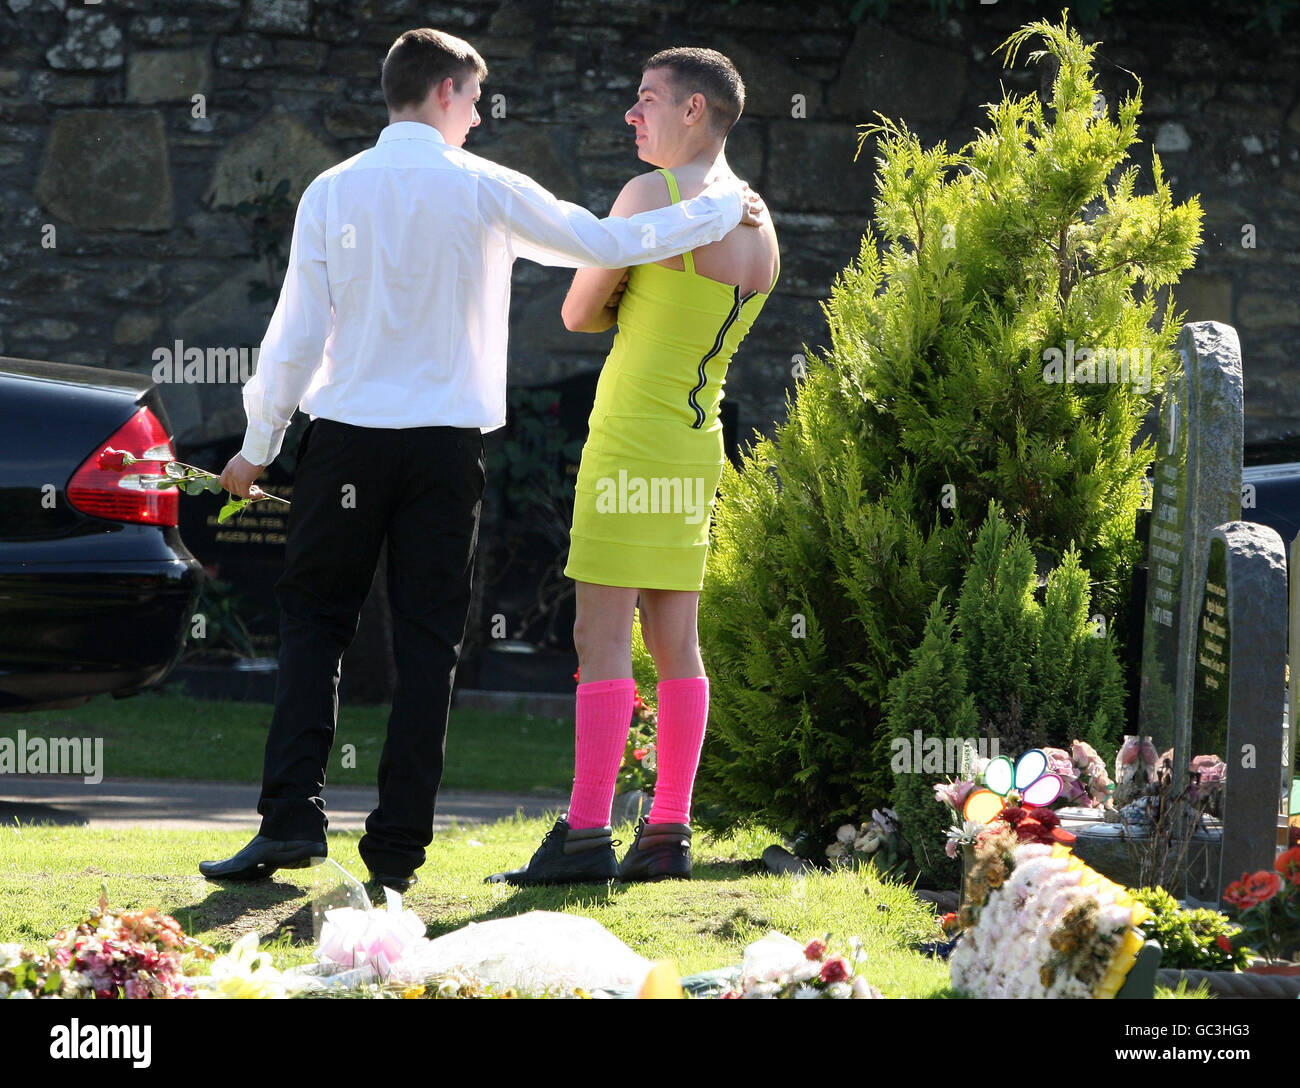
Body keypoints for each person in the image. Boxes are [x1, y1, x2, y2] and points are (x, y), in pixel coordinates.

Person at [198, 28, 767, 897]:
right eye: (474, 98)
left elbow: (296, 333)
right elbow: (598, 244)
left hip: (343, 439)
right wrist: (718, 208)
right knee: (431, 643)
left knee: (314, 628)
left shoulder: (332, 189)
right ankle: (396, 854)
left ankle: (289, 824)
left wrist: (256, 447)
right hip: (447, 452)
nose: (479, 115)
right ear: (445, 93)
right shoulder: (486, 186)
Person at [488, 47, 779, 886]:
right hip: (696, 446)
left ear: (695, 111)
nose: (632, 114)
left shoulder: (653, 197)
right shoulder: (759, 222)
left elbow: (581, 309)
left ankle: (585, 832)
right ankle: (668, 831)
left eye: (647, 99)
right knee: (677, 642)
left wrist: (620, 288)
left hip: (630, 441)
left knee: (600, 636)